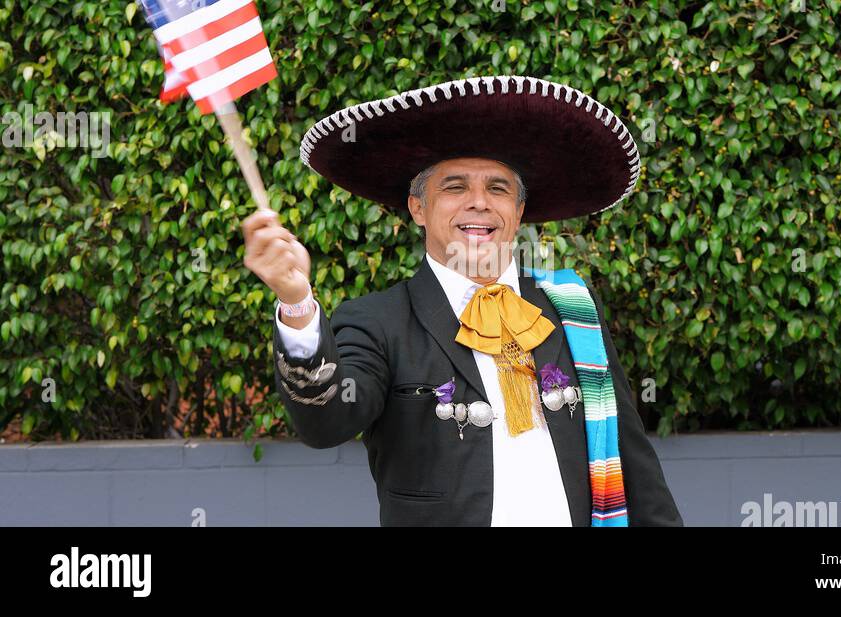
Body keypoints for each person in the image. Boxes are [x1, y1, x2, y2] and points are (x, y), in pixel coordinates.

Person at [241, 75, 683, 527]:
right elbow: (326, 423)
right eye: (454, 187)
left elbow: (633, 462)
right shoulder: (377, 320)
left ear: (518, 212)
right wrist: (296, 302)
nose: (479, 203)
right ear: (418, 208)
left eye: (498, 188)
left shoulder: (571, 308)